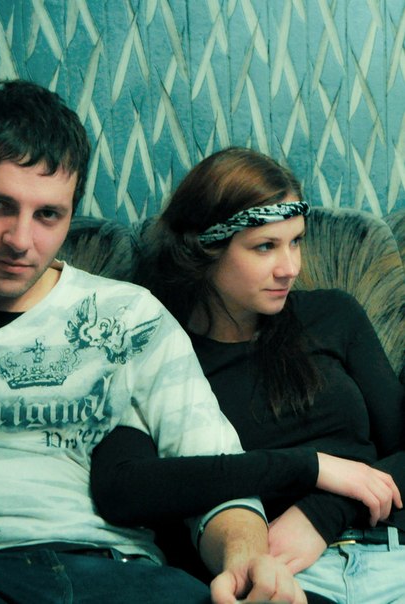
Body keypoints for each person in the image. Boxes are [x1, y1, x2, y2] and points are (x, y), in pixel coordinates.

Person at [0, 82, 315, 604]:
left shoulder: (131, 316)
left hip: (114, 573)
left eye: (48, 215)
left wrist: (245, 561)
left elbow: (213, 467)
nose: (20, 241)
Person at [90, 147, 405, 604]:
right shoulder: (159, 355)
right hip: (279, 578)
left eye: (296, 242)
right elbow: (124, 489)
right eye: (265, 247)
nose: (290, 268)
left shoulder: (334, 315)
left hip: (388, 550)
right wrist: (309, 467)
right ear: (204, 249)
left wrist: (322, 513)